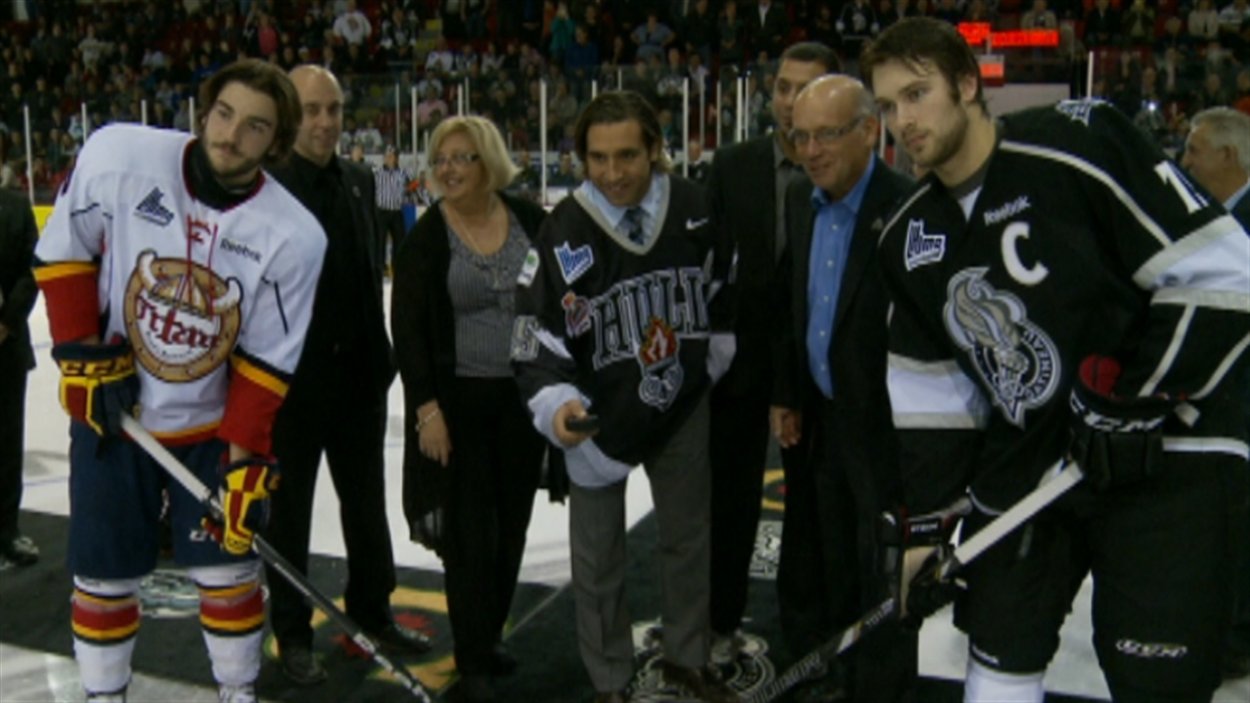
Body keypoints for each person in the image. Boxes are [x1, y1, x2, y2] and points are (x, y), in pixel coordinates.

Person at [862, 17, 1250, 702]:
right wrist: (927, 527)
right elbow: (932, 396)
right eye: (888, 105)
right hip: (1033, 473)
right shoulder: (906, 236)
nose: (903, 121)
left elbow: (1224, 275)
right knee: (997, 660)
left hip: (1167, 460)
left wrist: (1128, 405)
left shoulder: (1081, 141)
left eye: (917, 94)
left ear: (967, 83)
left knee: (1155, 679)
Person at [32, 58, 326, 703]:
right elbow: (64, 250)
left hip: (209, 429)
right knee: (104, 575)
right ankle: (104, 696)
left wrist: (245, 465)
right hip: (117, 416)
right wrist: (80, 354)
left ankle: (237, 691)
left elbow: (265, 362)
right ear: (204, 110)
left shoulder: (295, 237)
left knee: (228, 570)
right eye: (223, 114)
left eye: (253, 127)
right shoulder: (119, 155)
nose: (229, 135)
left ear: (274, 143)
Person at [511, 90, 738, 703]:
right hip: (596, 413)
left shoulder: (696, 207)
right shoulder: (562, 227)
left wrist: (709, 366)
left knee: (689, 538)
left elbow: (724, 296)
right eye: (598, 157)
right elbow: (533, 330)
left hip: (682, 403)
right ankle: (610, 677)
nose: (613, 173)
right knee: (597, 558)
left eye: (628, 155)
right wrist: (555, 402)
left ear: (656, 150)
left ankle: (688, 656)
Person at [263, 65, 430, 686]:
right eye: (311, 110)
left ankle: (372, 612)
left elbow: (380, 264)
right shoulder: (265, 187)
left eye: (333, 108)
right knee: (289, 517)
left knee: (366, 508)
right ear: (288, 115)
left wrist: (384, 360)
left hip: (359, 380)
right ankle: (291, 631)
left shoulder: (363, 180)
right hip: (293, 389)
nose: (326, 122)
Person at [392, 115, 550, 703]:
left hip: (522, 401)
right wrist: (426, 409)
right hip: (456, 407)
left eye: (462, 157)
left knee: (512, 527)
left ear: (490, 163)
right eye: (441, 159)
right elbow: (407, 330)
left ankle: (489, 636)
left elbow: (559, 300)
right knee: (468, 536)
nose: (449, 169)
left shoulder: (532, 222)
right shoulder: (427, 238)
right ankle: (471, 652)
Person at [771, 75, 916, 703]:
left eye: (825, 134)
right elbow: (794, 306)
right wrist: (789, 392)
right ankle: (828, 673)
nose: (810, 149)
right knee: (825, 557)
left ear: (868, 131)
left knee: (881, 576)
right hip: (820, 418)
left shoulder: (911, 207)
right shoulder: (801, 201)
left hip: (887, 430)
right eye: (800, 135)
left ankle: (878, 690)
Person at [703, 40, 838, 669]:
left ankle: (807, 639)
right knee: (728, 504)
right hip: (737, 372)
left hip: (814, 373)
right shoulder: (731, 166)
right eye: (784, 87)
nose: (789, 102)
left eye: (806, 89)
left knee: (810, 512)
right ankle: (718, 622)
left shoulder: (847, 170)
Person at [1180, 105, 1250, 680]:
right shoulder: (1201, 220)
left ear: (1228, 155)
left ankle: (1237, 637)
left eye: (1193, 151)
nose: (1183, 162)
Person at [0, 187, 39, 571]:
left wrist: (7, 321)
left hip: (5, 346)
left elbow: (34, 267)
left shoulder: (13, 206)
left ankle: (7, 531)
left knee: (7, 442)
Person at [374, 144, 412, 276]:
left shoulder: (403, 173)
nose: (389, 159)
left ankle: (398, 266)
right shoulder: (377, 172)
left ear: (396, 158)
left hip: (396, 211)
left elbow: (410, 187)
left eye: (392, 156)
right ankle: (380, 267)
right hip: (381, 211)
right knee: (380, 240)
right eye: (387, 156)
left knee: (399, 240)